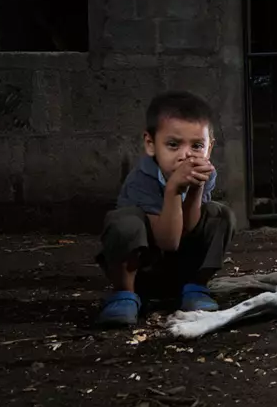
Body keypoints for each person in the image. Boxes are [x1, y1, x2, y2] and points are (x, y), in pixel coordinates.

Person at [94, 90, 236, 327]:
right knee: (125, 221)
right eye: (173, 145)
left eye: (197, 145)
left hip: (180, 267)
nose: (185, 155)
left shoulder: (205, 172)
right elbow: (168, 242)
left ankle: (195, 287)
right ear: (151, 144)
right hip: (144, 270)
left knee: (219, 214)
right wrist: (172, 191)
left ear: (209, 148)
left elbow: (189, 230)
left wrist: (196, 188)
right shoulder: (142, 179)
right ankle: (124, 296)